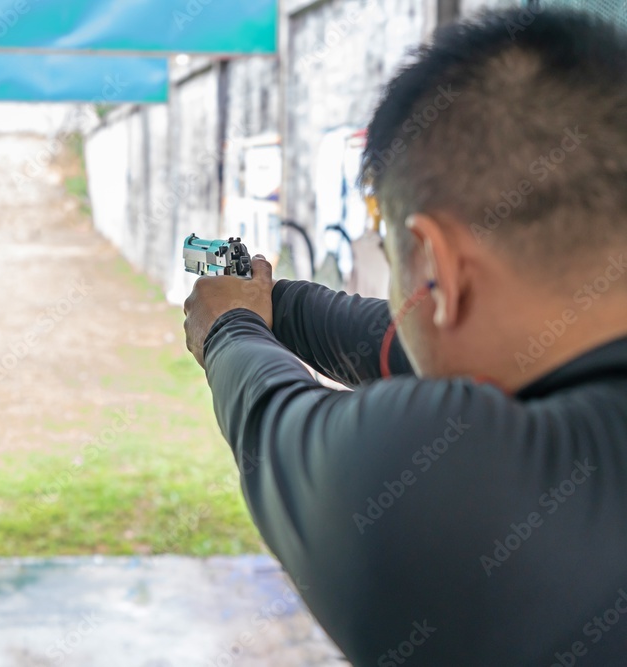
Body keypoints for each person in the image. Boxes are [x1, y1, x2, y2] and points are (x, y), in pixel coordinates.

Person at [183, 8, 627, 665]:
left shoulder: (461, 488)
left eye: (394, 259)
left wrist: (227, 326)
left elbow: (276, 420)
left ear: (439, 267)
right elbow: (396, 344)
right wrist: (271, 301)